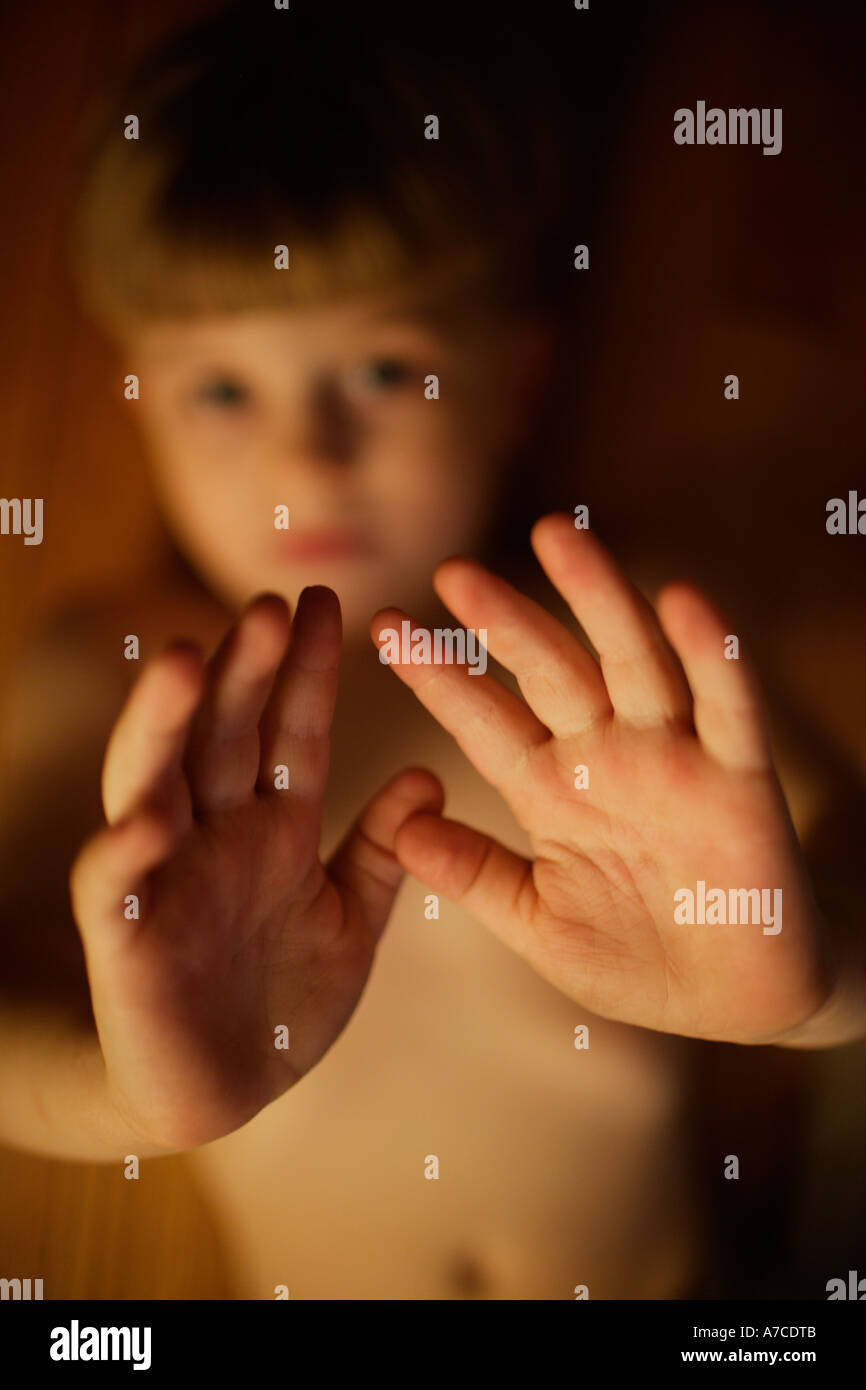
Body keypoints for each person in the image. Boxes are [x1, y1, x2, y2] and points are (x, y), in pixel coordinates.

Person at [0, 1, 860, 1299]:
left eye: (387, 370)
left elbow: (834, 863)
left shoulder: (617, 658)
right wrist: (123, 1096)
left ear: (513, 382)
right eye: (223, 389)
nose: (309, 457)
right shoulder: (113, 677)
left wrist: (818, 995)